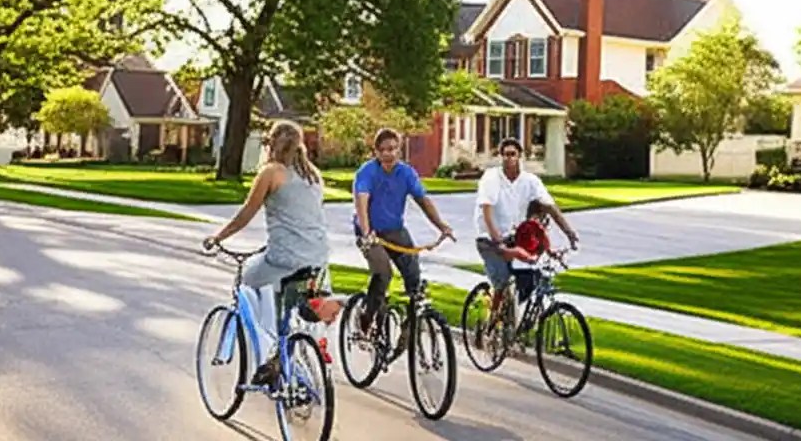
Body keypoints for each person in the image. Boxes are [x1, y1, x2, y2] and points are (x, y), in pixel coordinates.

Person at [203, 120, 341, 385]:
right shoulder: (312, 174)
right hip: (318, 256)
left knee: (247, 278)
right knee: (290, 296)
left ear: (272, 143)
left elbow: (245, 214)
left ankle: (272, 347)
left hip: (286, 257)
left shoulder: (271, 172)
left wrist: (217, 237)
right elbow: (302, 217)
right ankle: (288, 344)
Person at [353, 127, 455, 334]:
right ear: (376, 152)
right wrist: (366, 233)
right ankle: (367, 317)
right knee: (383, 273)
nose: (388, 154)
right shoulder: (367, 172)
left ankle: (411, 326)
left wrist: (441, 225)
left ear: (399, 150)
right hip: (370, 232)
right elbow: (361, 203)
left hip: (395, 231)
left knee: (413, 277)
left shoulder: (406, 173)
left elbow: (423, 201)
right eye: (383, 150)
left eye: (392, 149)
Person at [474, 138, 578, 322]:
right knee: (502, 281)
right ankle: (490, 324)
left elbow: (550, 207)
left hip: (515, 238)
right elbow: (487, 210)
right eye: (505, 154)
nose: (509, 158)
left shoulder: (530, 181)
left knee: (532, 277)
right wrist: (497, 241)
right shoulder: (491, 178)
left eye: (513, 154)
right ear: (501, 157)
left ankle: (514, 324)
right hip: (489, 239)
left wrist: (569, 232)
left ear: (520, 156)